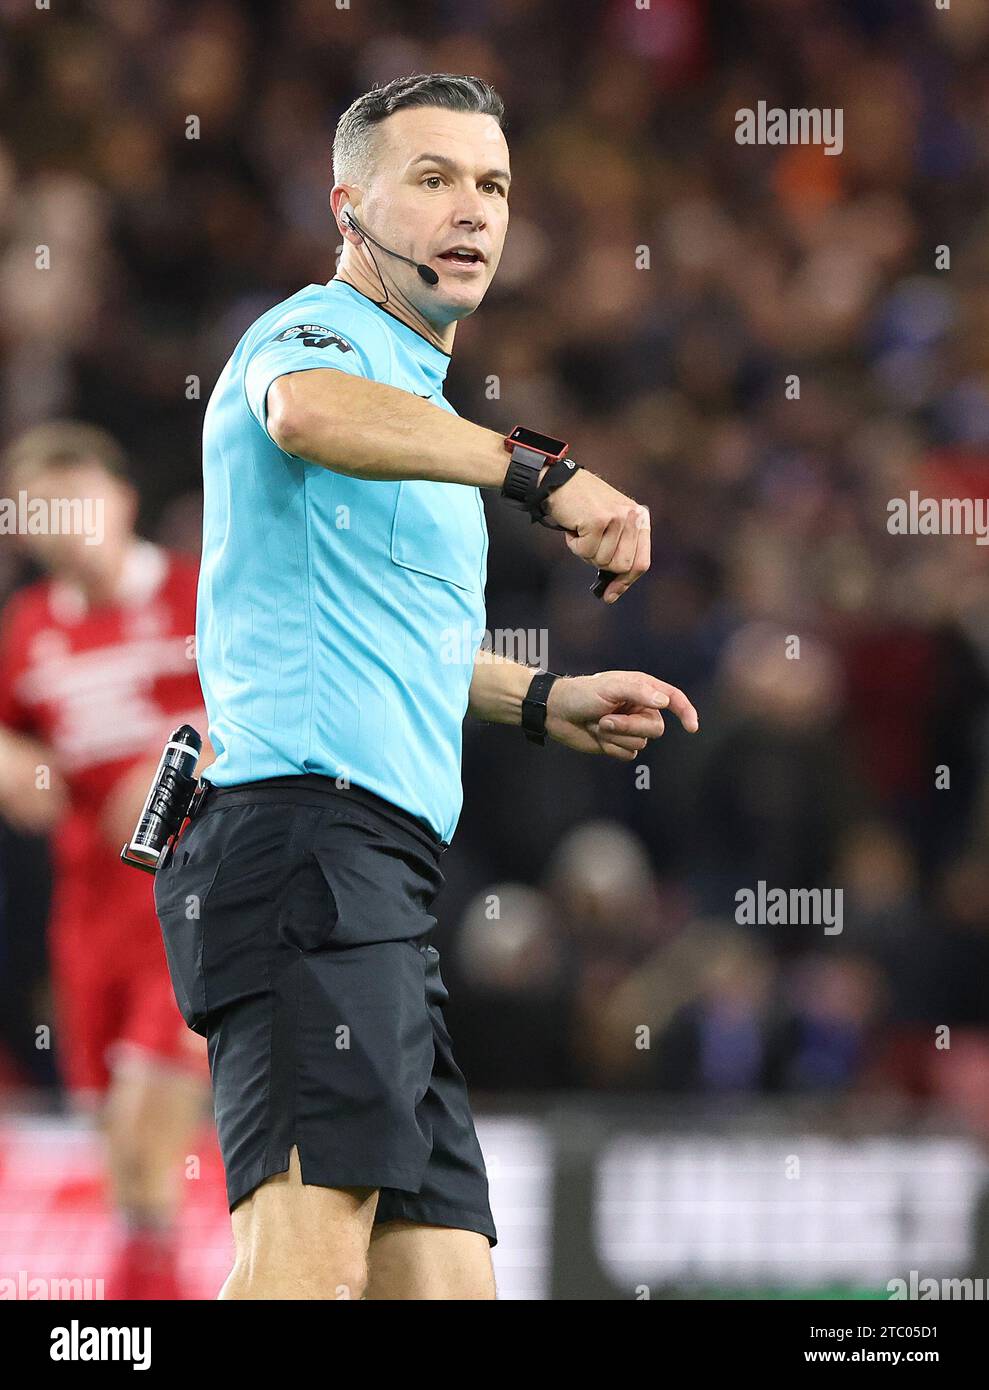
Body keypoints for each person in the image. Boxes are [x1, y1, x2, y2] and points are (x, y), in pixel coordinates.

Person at [157, 71, 699, 1301]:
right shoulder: (316, 335)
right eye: (434, 177)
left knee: (445, 1279)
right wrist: (543, 474)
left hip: (382, 878)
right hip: (300, 846)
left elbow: (386, 637)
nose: (473, 208)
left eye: (493, 184)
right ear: (346, 203)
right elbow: (300, 412)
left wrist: (539, 702)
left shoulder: (420, 410)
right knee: (301, 1263)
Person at [0, 421, 212, 1300]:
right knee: (112, 1136)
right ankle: (150, 1294)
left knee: (143, 1110)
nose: (63, 526)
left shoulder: (200, 594)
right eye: (40, 513)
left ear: (122, 499)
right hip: (87, 906)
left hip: (195, 893)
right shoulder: (29, 628)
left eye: (76, 501)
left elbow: (277, 699)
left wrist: (189, 754)